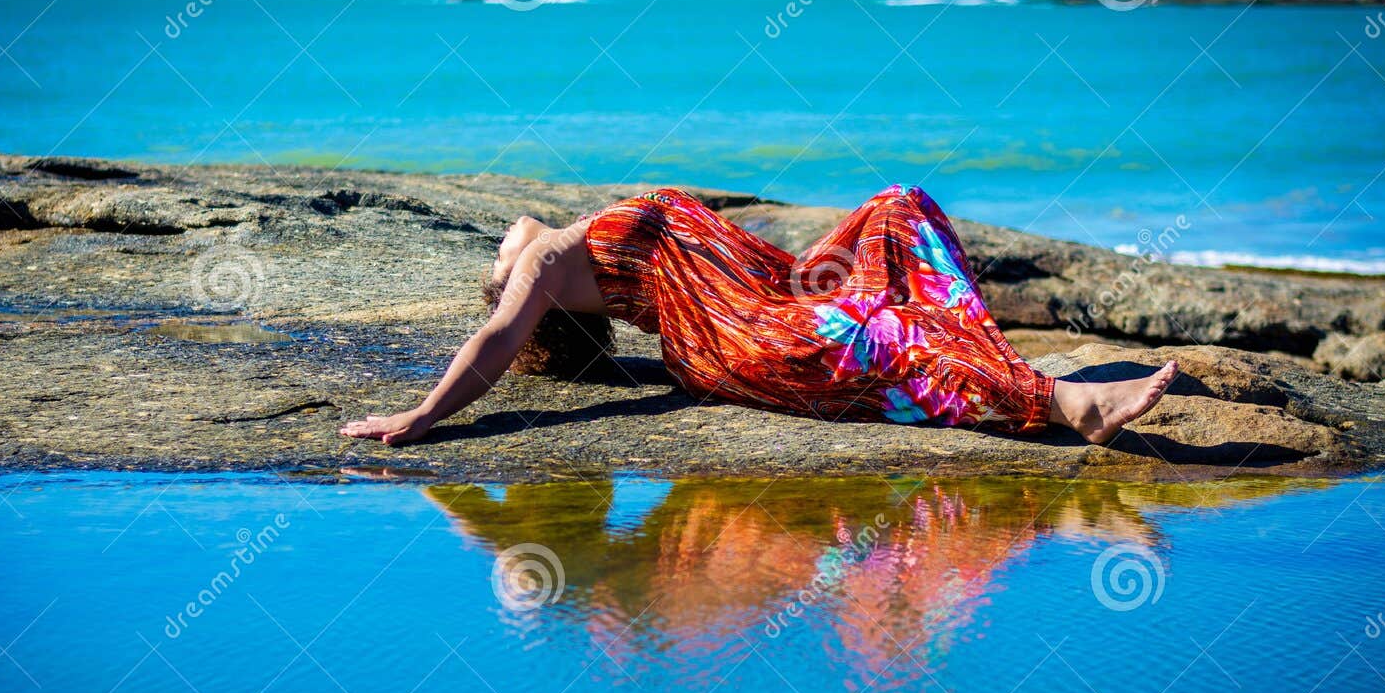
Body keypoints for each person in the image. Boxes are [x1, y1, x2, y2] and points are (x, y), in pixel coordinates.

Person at [340, 185, 1177, 447]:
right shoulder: (547, 262)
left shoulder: (574, 240)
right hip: (736, 332)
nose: (497, 252)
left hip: (781, 284)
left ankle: (985, 356)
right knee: (880, 333)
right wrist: (422, 415)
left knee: (901, 208)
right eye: (497, 272)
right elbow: (494, 342)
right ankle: (1065, 401)